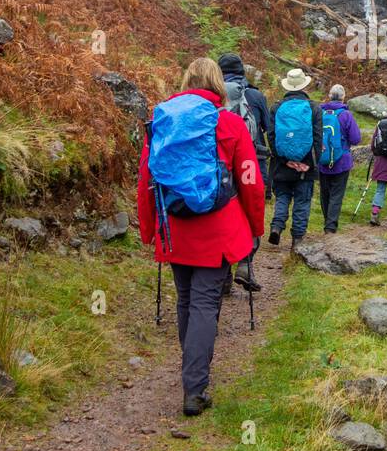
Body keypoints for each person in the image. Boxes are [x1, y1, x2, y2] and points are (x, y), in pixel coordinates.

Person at [137, 58, 265, 417]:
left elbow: (146, 179)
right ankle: (194, 389)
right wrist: (255, 226)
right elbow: (250, 179)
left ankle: (192, 373)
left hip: (175, 229)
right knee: (205, 304)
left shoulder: (163, 121)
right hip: (218, 230)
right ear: (218, 84)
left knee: (186, 300)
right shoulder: (230, 123)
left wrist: (149, 229)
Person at [218, 52, 271, 293]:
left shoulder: (215, 97)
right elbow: (267, 128)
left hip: (223, 167)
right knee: (251, 210)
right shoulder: (256, 96)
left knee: (224, 214)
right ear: (242, 71)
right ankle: (246, 264)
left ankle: (223, 275)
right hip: (252, 163)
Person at [268, 68, 322, 251]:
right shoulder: (314, 108)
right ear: (304, 86)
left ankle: (276, 227)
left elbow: (272, 137)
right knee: (302, 201)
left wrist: (284, 161)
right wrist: (310, 164)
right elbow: (317, 139)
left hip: (282, 164)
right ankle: (297, 240)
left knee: (282, 197)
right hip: (305, 166)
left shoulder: (276, 108)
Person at [318, 84, 362, 233]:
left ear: (329, 96)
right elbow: (355, 139)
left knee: (325, 193)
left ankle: (327, 220)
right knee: (336, 194)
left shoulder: (320, 112)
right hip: (341, 161)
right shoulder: (346, 115)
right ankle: (330, 226)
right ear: (343, 97)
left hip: (322, 159)